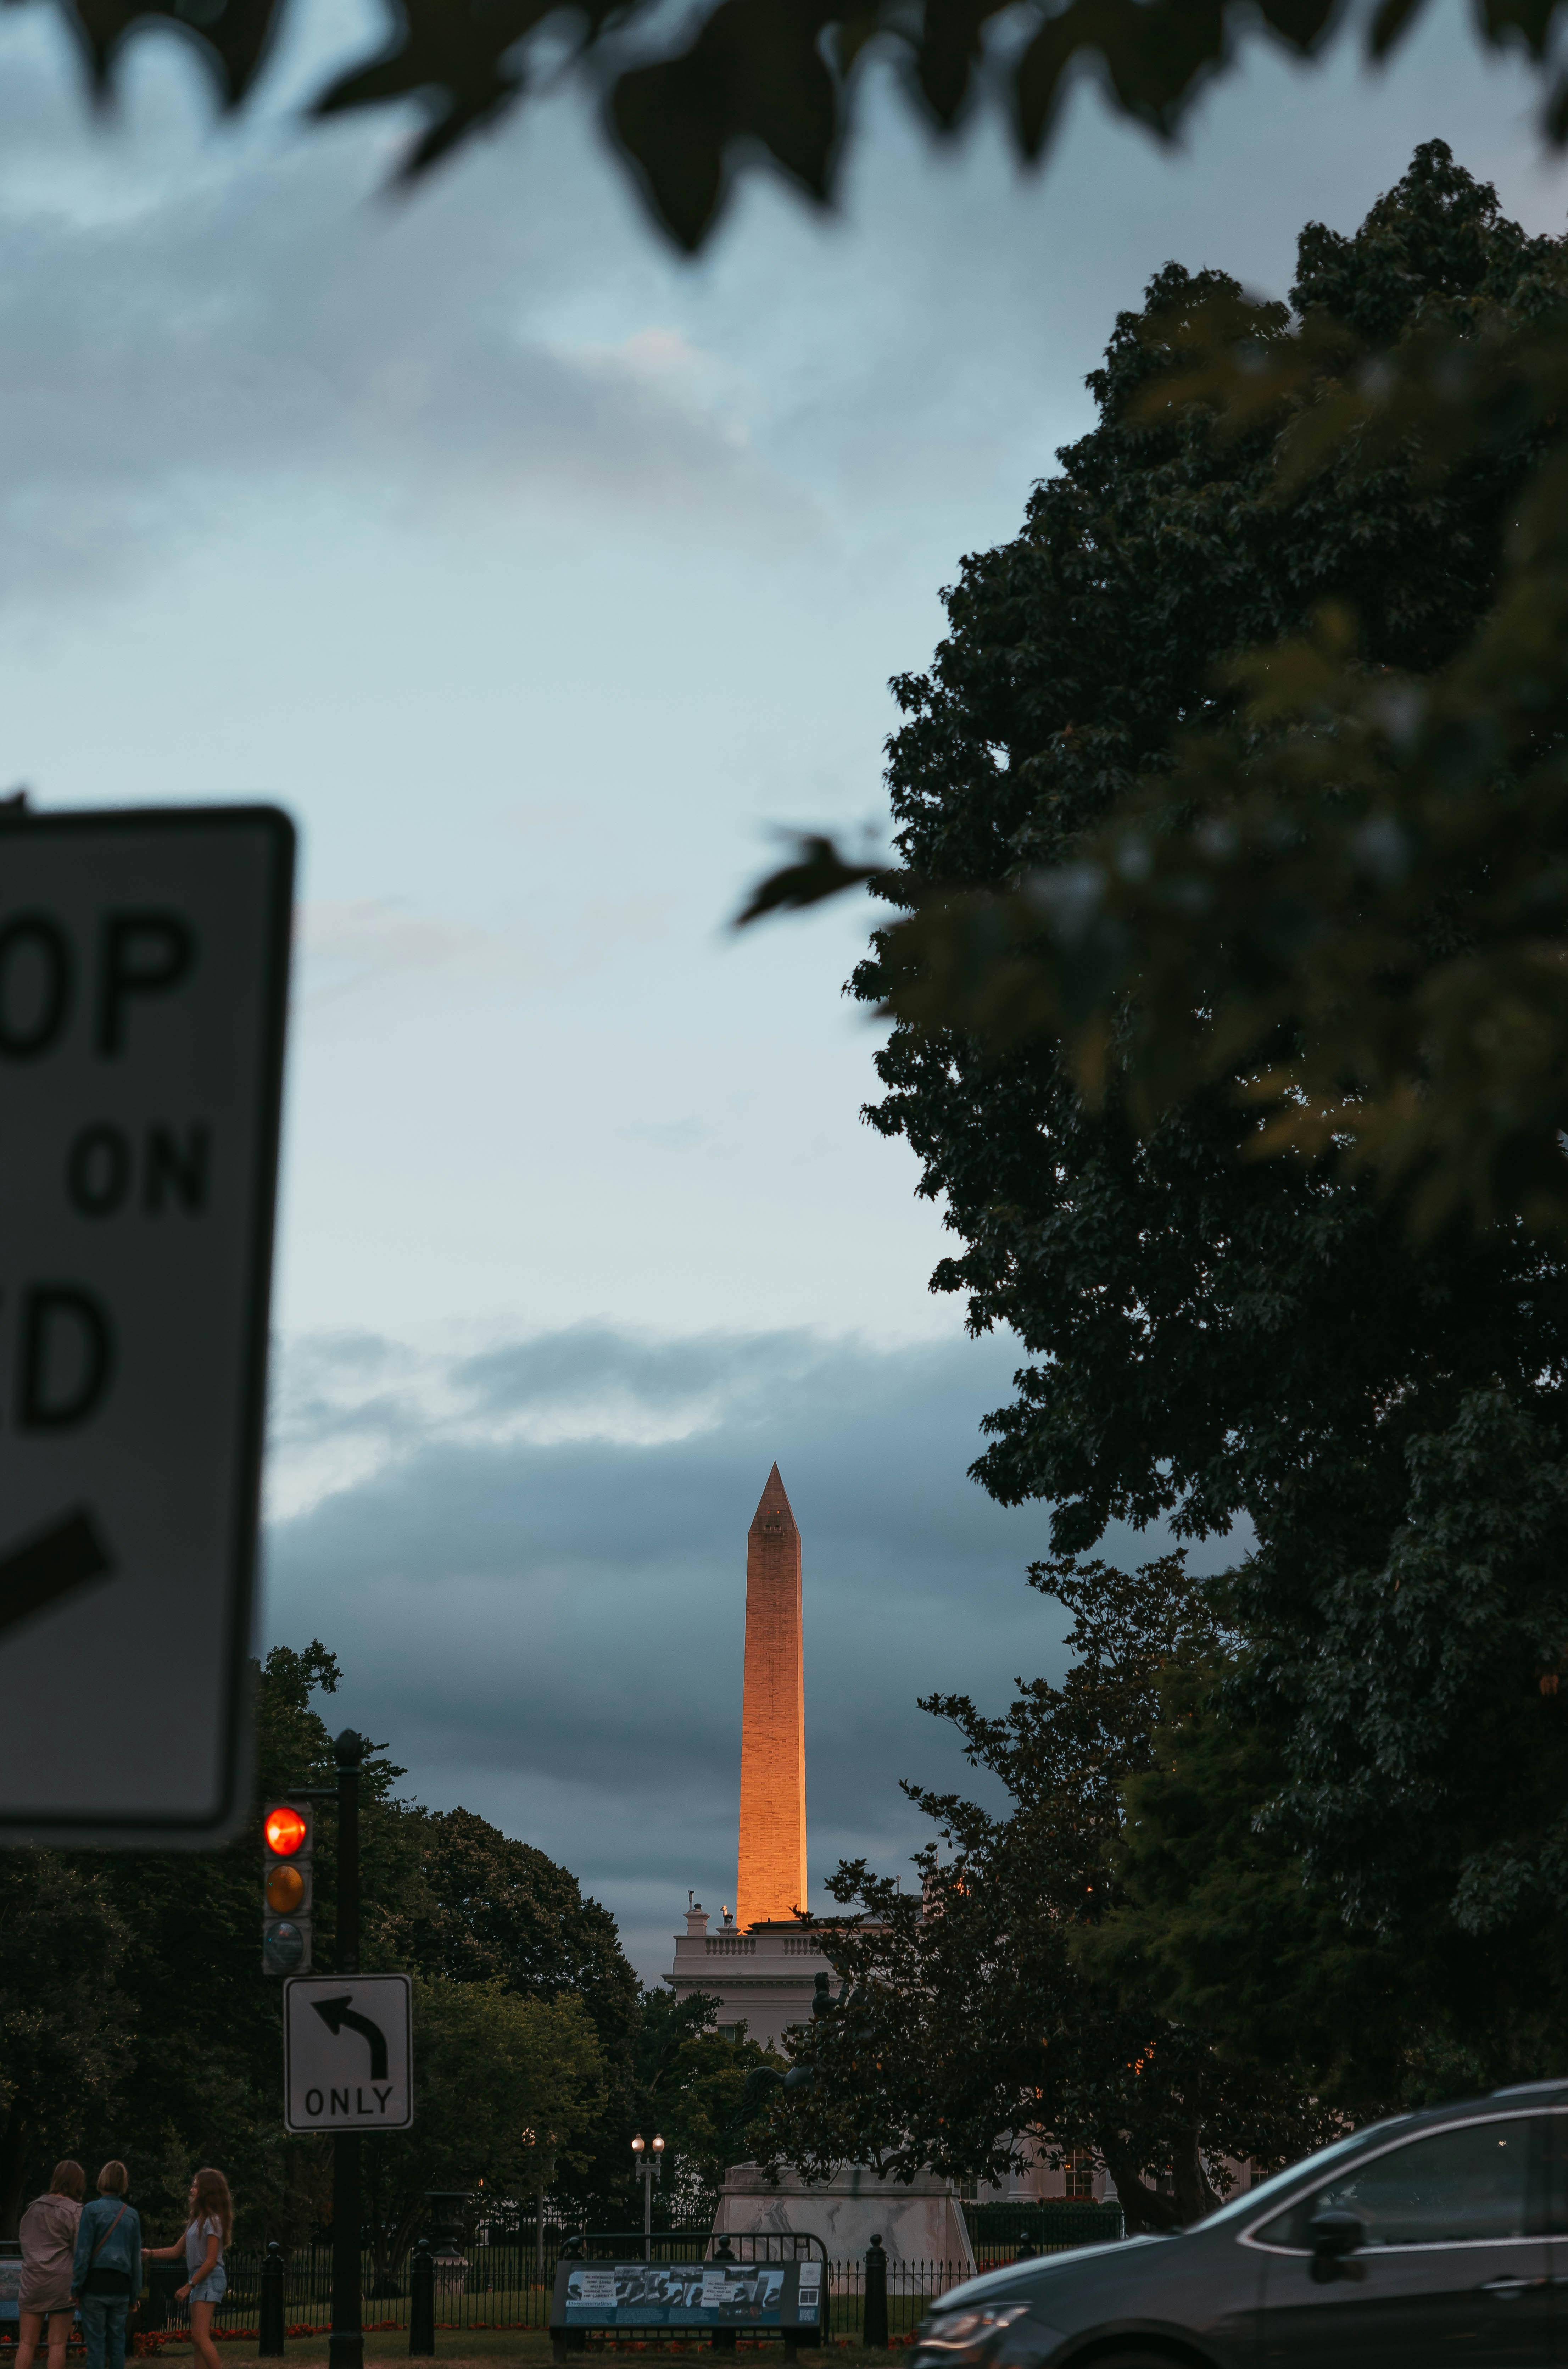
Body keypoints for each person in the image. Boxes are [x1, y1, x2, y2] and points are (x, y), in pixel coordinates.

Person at [144, 2168, 230, 2369]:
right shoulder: (196, 2221)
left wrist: (189, 2286)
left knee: (201, 2337)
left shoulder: (213, 2221)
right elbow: (175, 2251)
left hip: (207, 2277)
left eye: (195, 2186)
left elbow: (210, 2261)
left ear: (207, 2190)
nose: (192, 2190)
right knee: (197, 2339)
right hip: (199, 2277)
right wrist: (149, 2253)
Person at [70, 2161, 141, 2369]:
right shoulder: (132, 2215)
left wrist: (76, 2288)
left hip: (94, 2287)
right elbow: (136, 2260)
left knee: (96, 2347)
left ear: (102, 2180)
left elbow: (82, 2254)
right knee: (118, 2345)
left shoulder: (91, 2210)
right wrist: (134, 2296)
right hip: (121, 2288)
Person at [17, 2161, 85, 2369]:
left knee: (26, 2343)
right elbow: (80, 2251)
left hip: (32, 2282)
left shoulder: (33, 2208)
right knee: (57, 2344)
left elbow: (25, 2243)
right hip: (61, 2285)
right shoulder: (75, 2211)